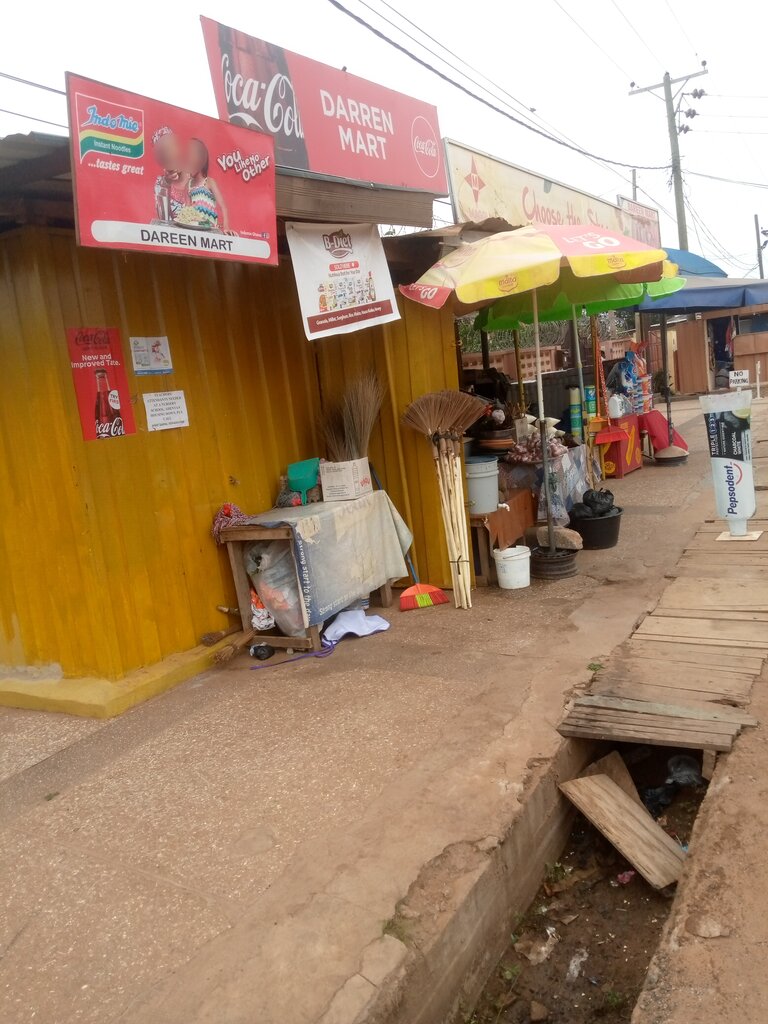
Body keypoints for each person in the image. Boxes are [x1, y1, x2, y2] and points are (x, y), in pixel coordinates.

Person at [186, 138, 229, 231]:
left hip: (208, 227)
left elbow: (223, 207)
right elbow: (187, 209)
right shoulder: (188, 184)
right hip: (194, 227)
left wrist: (226, 228)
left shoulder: (209, 182)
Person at [151, 126, 189, 221]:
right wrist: (166, 184)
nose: (169, 154)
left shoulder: (197, 178)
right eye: (163, 151)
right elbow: (164, 220)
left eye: (172, 146)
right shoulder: (161, 184)